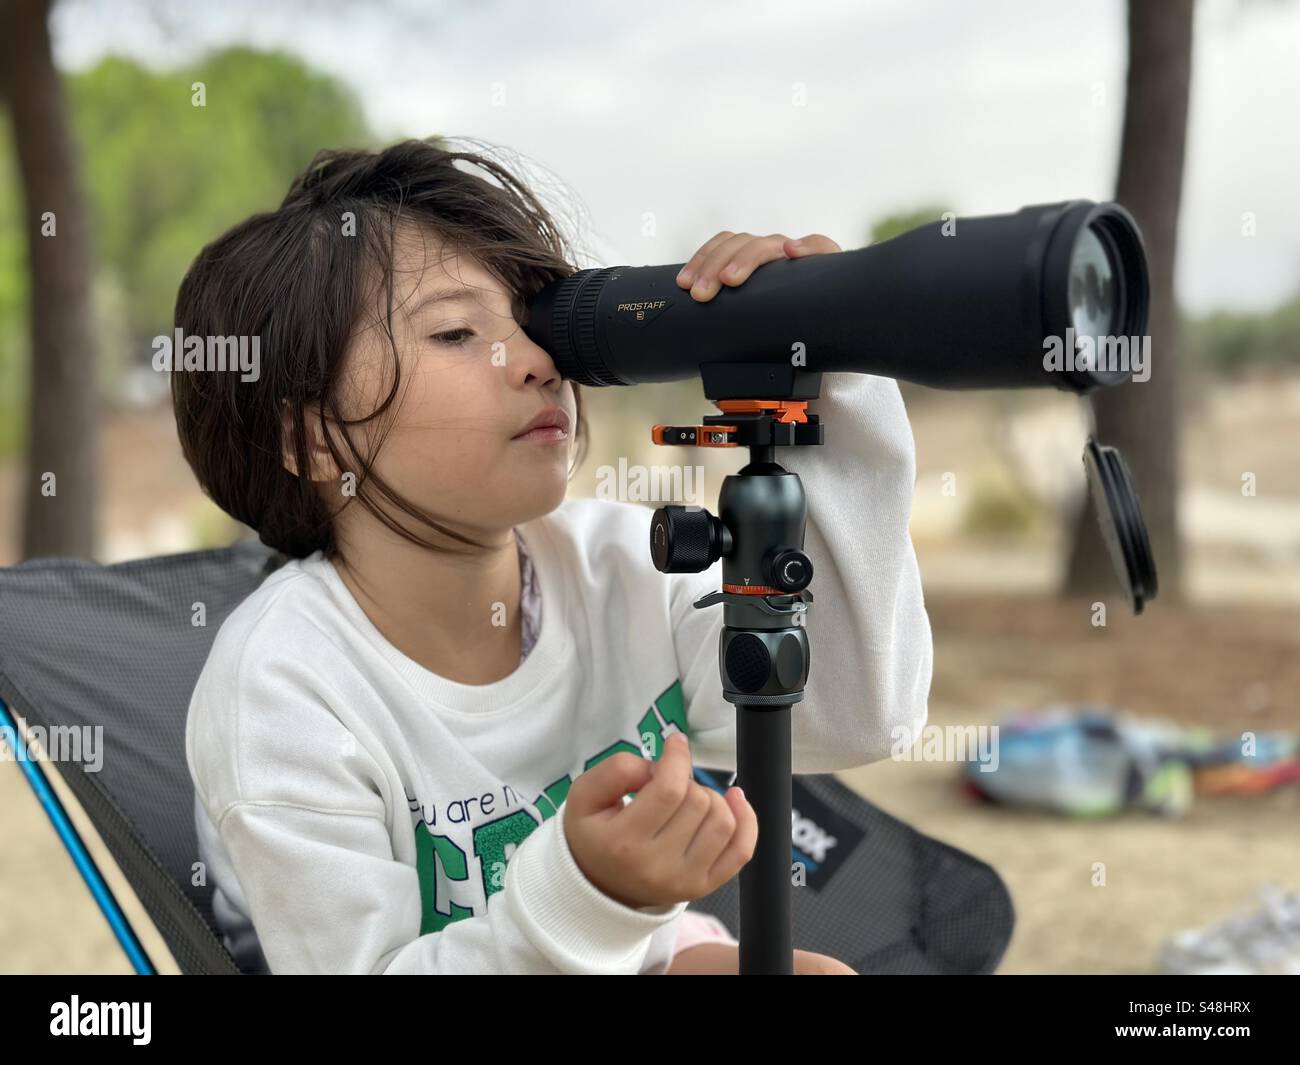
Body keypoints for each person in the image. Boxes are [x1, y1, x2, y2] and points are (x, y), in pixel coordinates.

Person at [176, 136, 933, 974]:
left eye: (532, 325)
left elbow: (860, 712)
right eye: (459, 332)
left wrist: (828, 368)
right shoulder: (284, 689)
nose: (537, 363)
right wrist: (590, 896)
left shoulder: (620, 563)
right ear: (311, 437)